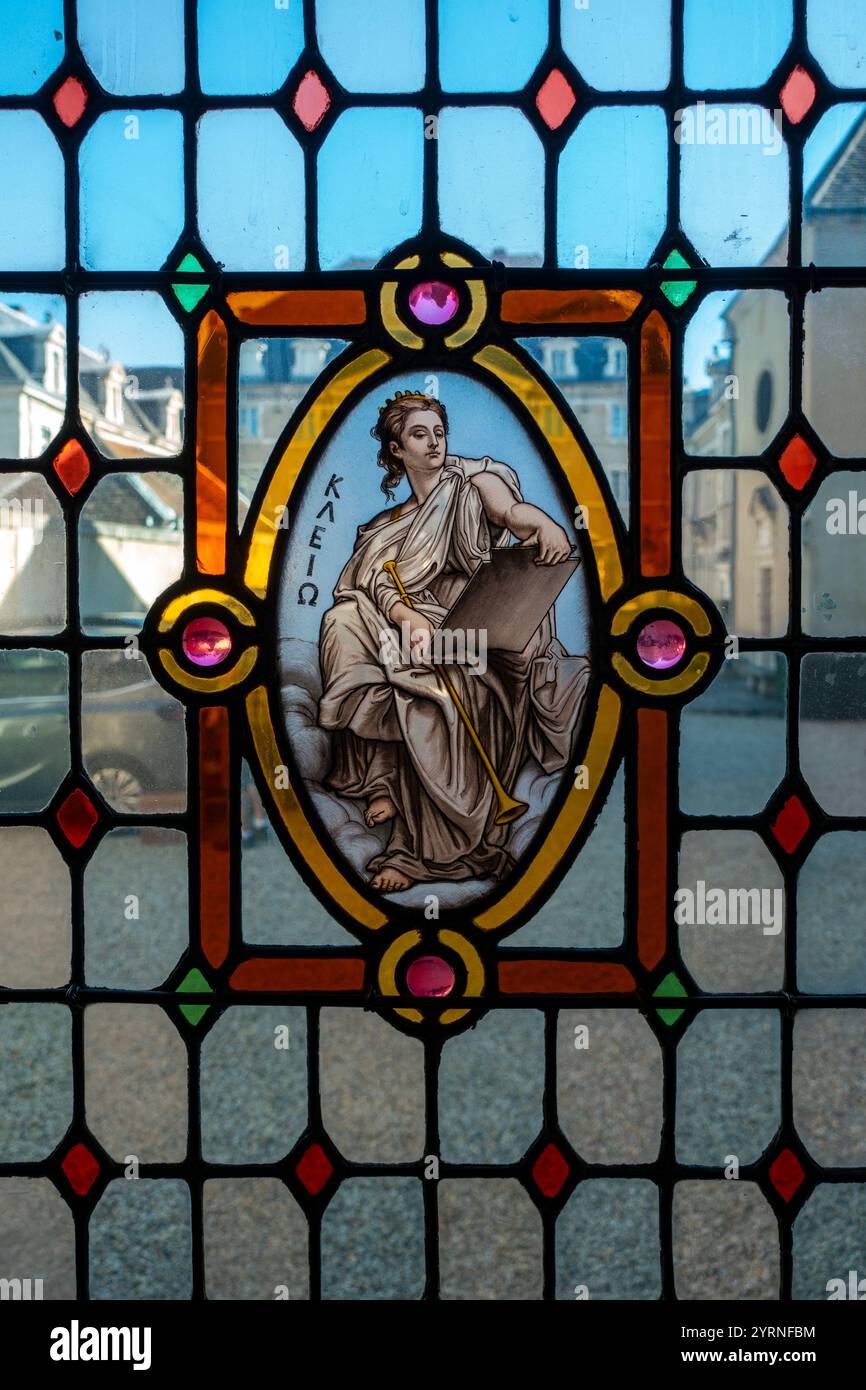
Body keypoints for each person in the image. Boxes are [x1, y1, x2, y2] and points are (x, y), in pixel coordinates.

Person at [317, 391, 591, 893]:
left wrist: (546, 524)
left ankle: (425, 849)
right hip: (413, 632)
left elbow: (511, 513)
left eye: (439, 432)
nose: (434, 443)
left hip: (477, 636)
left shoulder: (471, 483)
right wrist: (406, 617)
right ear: (397, 449)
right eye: (420, 435)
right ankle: (387, 783)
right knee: (345, 621)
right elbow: (371, 584)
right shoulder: (386, 527)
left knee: (437, 688)